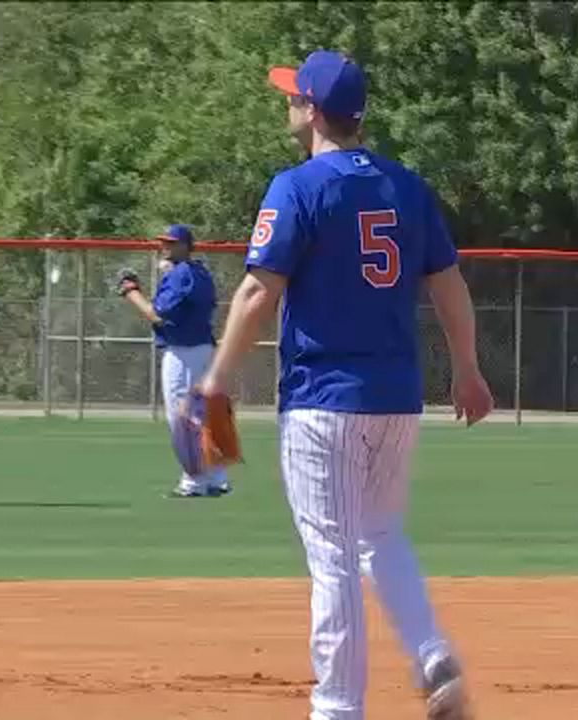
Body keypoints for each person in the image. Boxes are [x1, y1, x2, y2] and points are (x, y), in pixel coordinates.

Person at [194, 50, 494, 720]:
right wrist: (468, 369)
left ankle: (336, 709)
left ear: (312, 111)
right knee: (381, 536)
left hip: (323, 400)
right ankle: (431, 654)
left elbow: (254, 292)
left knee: (331, 556)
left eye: (291, 96)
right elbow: (449, 285)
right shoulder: (406, 187)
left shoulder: (298, 187)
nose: (286, 105)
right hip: (395, 396)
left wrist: (216, 380)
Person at [118, 223, 230, 497]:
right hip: (202, 349)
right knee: (203, 415)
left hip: (183, 352)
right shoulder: (200, 272)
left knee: (183, 418)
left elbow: (157, 314)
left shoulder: (181, 274)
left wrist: (131, 292)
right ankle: (215, 479)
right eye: (163, 241)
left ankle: (193, 483)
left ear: (184, 246)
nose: (164, 246)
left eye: (171, 242)